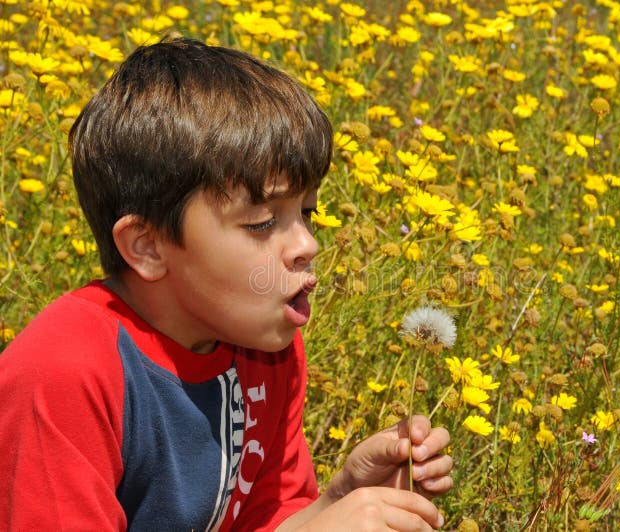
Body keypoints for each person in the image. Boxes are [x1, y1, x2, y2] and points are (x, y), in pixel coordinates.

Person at [0, 36, 453, 531]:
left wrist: (336, 503)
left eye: (307, 212)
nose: (307, 244)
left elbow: (264, 519)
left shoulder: (266, 350)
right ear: (148, 246)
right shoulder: (65, 377)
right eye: (261, 222)